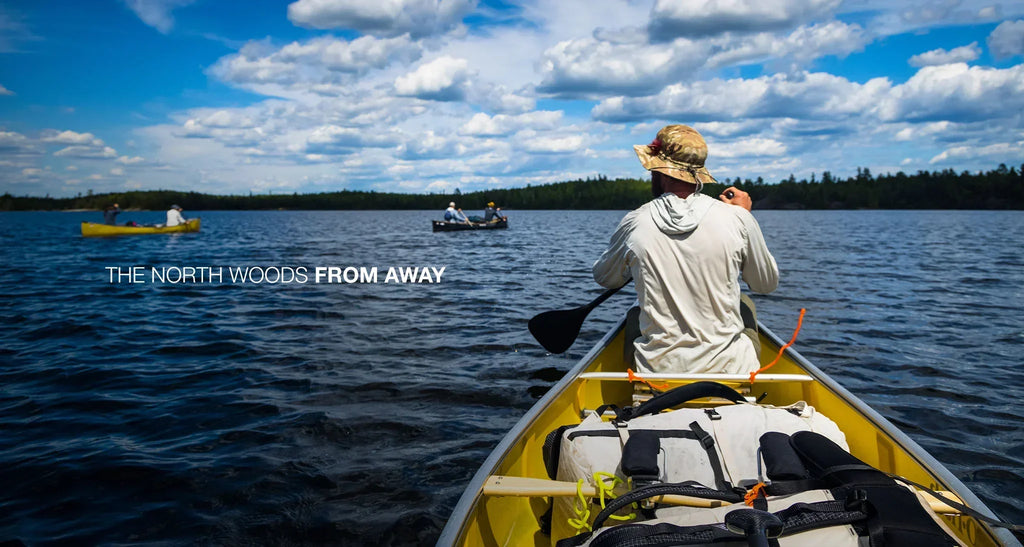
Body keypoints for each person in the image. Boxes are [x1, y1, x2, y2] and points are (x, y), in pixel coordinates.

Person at [592, 124, 778, 374]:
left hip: (657, 373)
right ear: (698, 175)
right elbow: (765, 284)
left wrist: (631, 260)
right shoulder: (737, 219)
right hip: (732, 371)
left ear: (660, 172)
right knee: (745, 303)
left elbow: (605, 278)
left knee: (637, 313)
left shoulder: (635, 221)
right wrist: (744, 217)